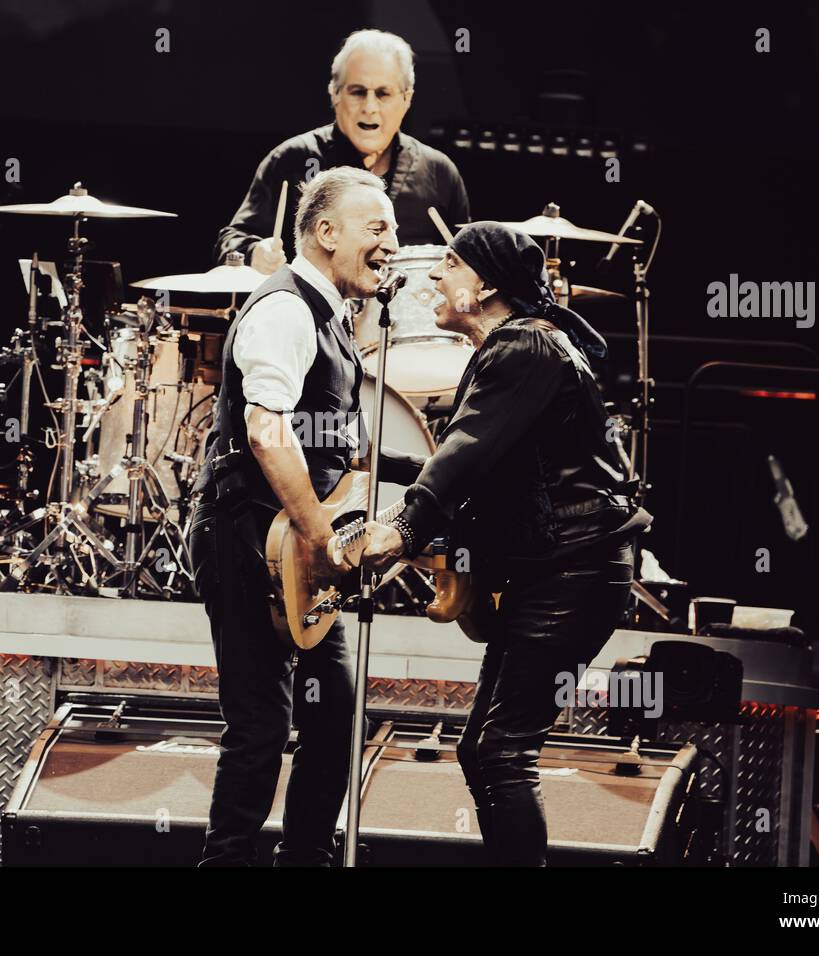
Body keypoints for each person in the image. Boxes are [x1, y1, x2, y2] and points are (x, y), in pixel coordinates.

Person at [361, 221, 653, 866]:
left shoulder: (523, 348)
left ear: (486, 284)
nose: (433, 277)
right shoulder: (520, 347)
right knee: (484, 749)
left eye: (448, 264)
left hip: (573, 575)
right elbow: (483, 461)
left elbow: (467, 452)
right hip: (560, 572)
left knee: (502, 749)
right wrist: (374, 466)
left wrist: (405, 527)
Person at [188, 167, 423, 866]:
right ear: (325, 232)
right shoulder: (287, 309)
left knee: (334, 720)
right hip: (250, 539)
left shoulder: (334, 319)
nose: (393, 243)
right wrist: (324, 538)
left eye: (394, 229)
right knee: (260, 729)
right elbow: (266, 432)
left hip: (298, 547)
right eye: (378, 227)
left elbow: (336, 459)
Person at [213, 29, 469, 273]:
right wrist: (256, 252)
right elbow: (231, 240)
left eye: (383, 94)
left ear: (407, 99)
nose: (369, 107)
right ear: (335, 94)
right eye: (357, 92)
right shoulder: (291, 159)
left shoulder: (439, 172)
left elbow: (467, 262)